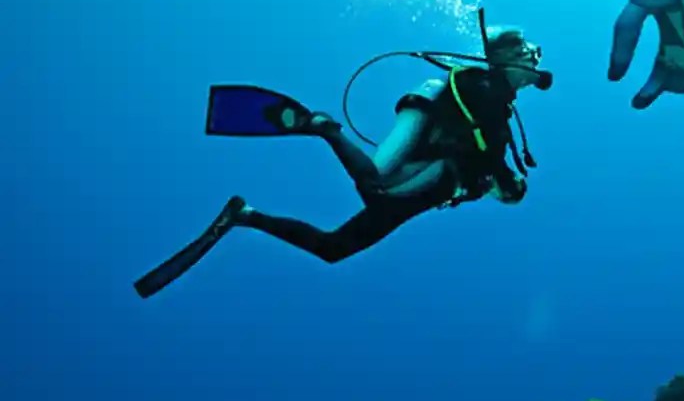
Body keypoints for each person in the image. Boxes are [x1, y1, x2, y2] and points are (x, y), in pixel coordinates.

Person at [133, 25, 548, 298]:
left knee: (334, 249)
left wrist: (502, 181)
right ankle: (324, 128)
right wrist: (503, 179)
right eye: (531, 52)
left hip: (427, 187)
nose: (536, 59)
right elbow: (485, 152)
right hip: (427, 174)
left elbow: (487, 156)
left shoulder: (496, 102)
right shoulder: (486, 90)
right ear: (510, 56)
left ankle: (246, 215)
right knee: (375, 184)